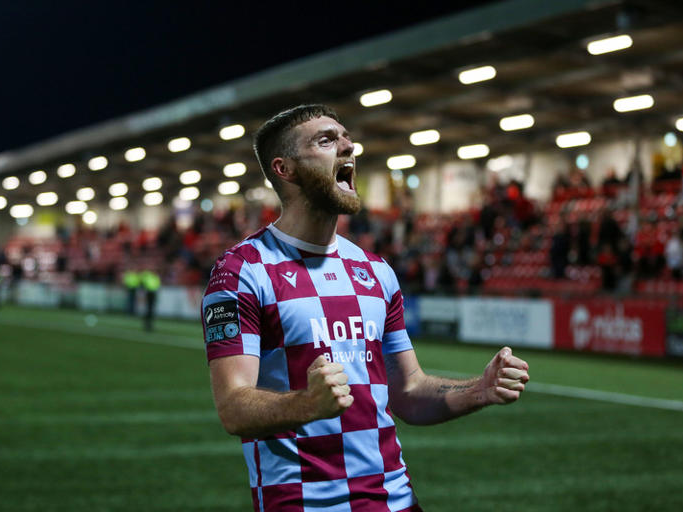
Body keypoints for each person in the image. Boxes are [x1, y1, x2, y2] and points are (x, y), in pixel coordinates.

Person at [201, 105, 530, 511]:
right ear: (284, 169)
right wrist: (306, 405)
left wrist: (478, 390)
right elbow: (233, 408)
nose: (348, 146)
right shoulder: (242, 270)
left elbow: (408, 392)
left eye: (345, 137)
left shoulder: (375, 271)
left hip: (395, 501)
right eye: (326, 140)